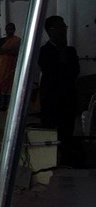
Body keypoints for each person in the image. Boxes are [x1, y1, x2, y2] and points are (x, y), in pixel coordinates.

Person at [38, 16, 80, 165]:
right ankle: (49, 162)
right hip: (51, 100)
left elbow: (75, 72)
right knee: (49, 132)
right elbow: (51, 73)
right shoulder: (44, 51)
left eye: (64, 27)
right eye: (60, 28)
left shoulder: (70, 51)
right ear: (50, 31)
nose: (63, 31)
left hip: (68, 99)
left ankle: (66, 159)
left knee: (67, 132)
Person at [0, 22, 21, 110]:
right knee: (2, 82)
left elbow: (17, 51)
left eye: (11, 29)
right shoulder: (2, 40)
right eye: (8, 29)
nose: (9, 31)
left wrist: (5, 51)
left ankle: (10, 105)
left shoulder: (17, 40)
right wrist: (9, 51)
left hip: (12, 66)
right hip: (3, 65)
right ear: (5, 30)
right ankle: (1, 104)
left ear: (14, 30)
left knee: (12, 84)